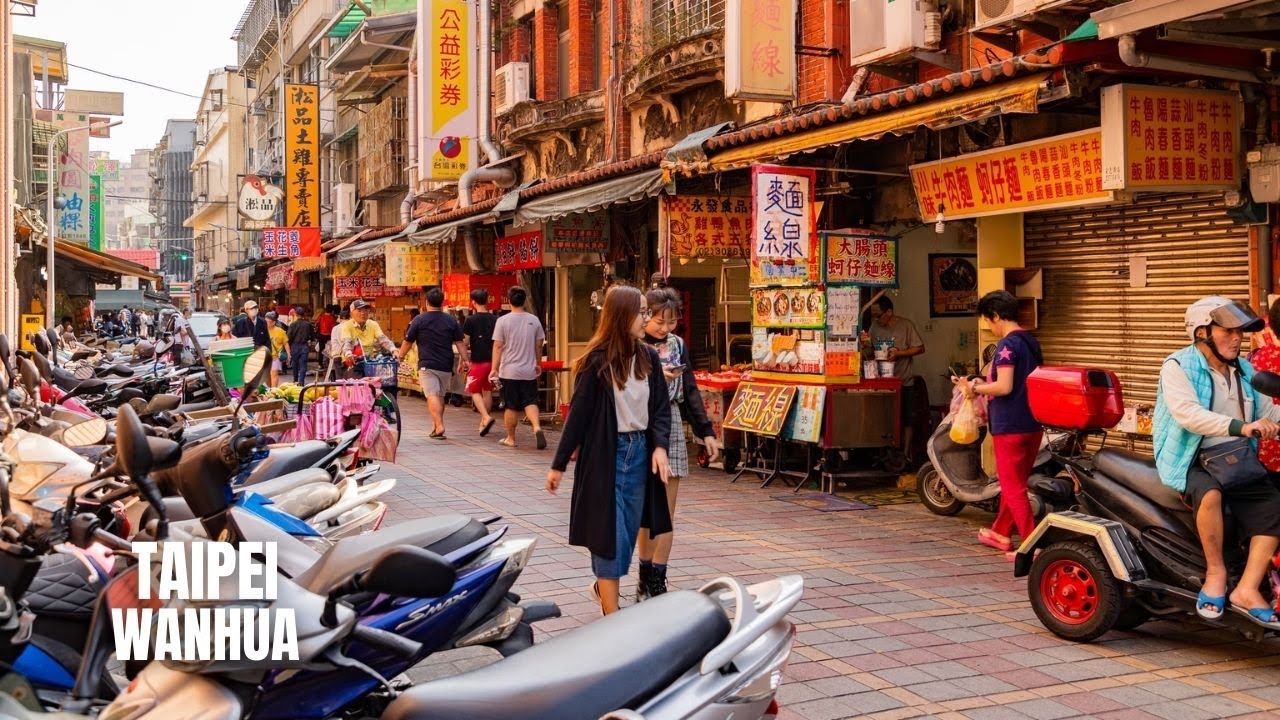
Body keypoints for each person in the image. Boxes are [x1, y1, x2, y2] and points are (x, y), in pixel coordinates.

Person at [546, 285, 672, 615]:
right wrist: (558, 465)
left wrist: (660, 448)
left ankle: (603, 588)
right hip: (607, 456)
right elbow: (579, 415)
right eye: (642, 312)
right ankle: (611, 616)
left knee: (628, 534)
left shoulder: (648, 359)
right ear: (621, 316)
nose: (646, 318)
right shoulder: (597, 362)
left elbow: (660, 408)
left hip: (641, 454)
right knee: (610, 535)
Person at [1154, 296, 1280, 623]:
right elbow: (1189, 415)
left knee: (1273, 504)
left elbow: (1269, 413)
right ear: (1201, 332)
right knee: (1210, 494)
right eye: (1229, 331)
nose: (1238, 339)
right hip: (1192, 455)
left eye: (1241, 332)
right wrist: (1243, 427)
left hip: (1236, 457)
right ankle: (1215, 573)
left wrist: (1270, 424)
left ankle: (1247, 588)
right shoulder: (1177, 366)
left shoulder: (1245, 369)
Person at [636, 286, 719, 599]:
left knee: (666, 512)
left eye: (670, 322)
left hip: (669, 423)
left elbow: (691, 390)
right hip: (638, 424)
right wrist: (656, 377)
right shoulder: (632, 344)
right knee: (644, 511)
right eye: (658, 321)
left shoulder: (678, 345)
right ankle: (644, 576)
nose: (664, 328)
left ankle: (657, 582)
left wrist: (706, 431)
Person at [954, 290, 1043, 561]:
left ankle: (1031, 547)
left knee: (1013, 486)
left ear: (996, 316)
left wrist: (975, 387)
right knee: (1014, 482)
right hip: (1033, 423)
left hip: (1010, 425)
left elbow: (1004, 386)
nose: (990, 329)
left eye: (988, 322)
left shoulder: (1006, 346)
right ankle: (1000, 532)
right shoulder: (1031, 341)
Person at [397, 287, 467, 439]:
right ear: (442, 303)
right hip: (446, 365)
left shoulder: (419, 320)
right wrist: (465, 360)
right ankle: (436, 427)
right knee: (439, 395)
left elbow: (408, 341)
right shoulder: (451, 320)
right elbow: (460, 342)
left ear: (426, 302)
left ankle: (439, 425)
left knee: (432, 395)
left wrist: (400, 356)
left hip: (427, 364)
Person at [868, 296, 927, 458]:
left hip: (904, 381)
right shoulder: (874, 327)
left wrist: (899, 353)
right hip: (882, 382)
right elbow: (869, 349)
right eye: (873, 316)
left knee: (908, 419)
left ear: (889, 312)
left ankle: (906, 453)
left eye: (878, 315)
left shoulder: (906, 326)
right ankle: (884, 453)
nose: (876, 319)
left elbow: (920, 348)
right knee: (884, 419)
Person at [490, 286, 547, 449]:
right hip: (528, 371)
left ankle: (511, 438)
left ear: (509, 300)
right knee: (530, 401)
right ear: (524, 300)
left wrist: (494, 368)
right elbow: (539, 345)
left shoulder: (502, 321)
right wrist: (537, 363)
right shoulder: (534, 320)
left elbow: (498, 347)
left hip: (509, 371)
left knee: (511, 405)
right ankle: (536, 427)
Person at [462, 289, 499, 436]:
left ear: (473, 302)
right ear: (487, 301)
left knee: (473, 390)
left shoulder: (470, 320)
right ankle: (483, 423)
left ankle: (486, 417)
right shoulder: (495, 319)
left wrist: (464, 360)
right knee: (487, 391)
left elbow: (464, 341)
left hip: (478, 361)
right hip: (492, 362)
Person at [336, 299, 396, 375]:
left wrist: (393, 349)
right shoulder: (347, 326)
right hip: (351, 362)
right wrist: (348, 353)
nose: (363, 313)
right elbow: (347, 342)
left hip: (368, 362)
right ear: (352, 313)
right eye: (359, 310)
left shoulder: (373, 324)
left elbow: (383, 339)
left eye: (365, 310)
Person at [287, 307, 316, 385]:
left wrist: (288, 347)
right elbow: (313, 336)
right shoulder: (308, 324)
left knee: (295, 364)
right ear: (304, 314)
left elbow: (288, 337)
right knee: (303, 364)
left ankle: (295, 380)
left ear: (296, 314)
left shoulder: (293, 325)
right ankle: (301, 382)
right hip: (304, 346)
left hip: (295, 345)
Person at [265, 311, 288, 387]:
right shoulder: (262, 330)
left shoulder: (280, 331)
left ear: (274, 322)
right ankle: (269, 390)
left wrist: (289, 355)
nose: (267, 323)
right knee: (267, 376)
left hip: (275, 357)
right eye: (266, 321)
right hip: (265, 357)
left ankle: (273, 391)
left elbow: (286, 343)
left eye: (269, 321)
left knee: (274, 373)